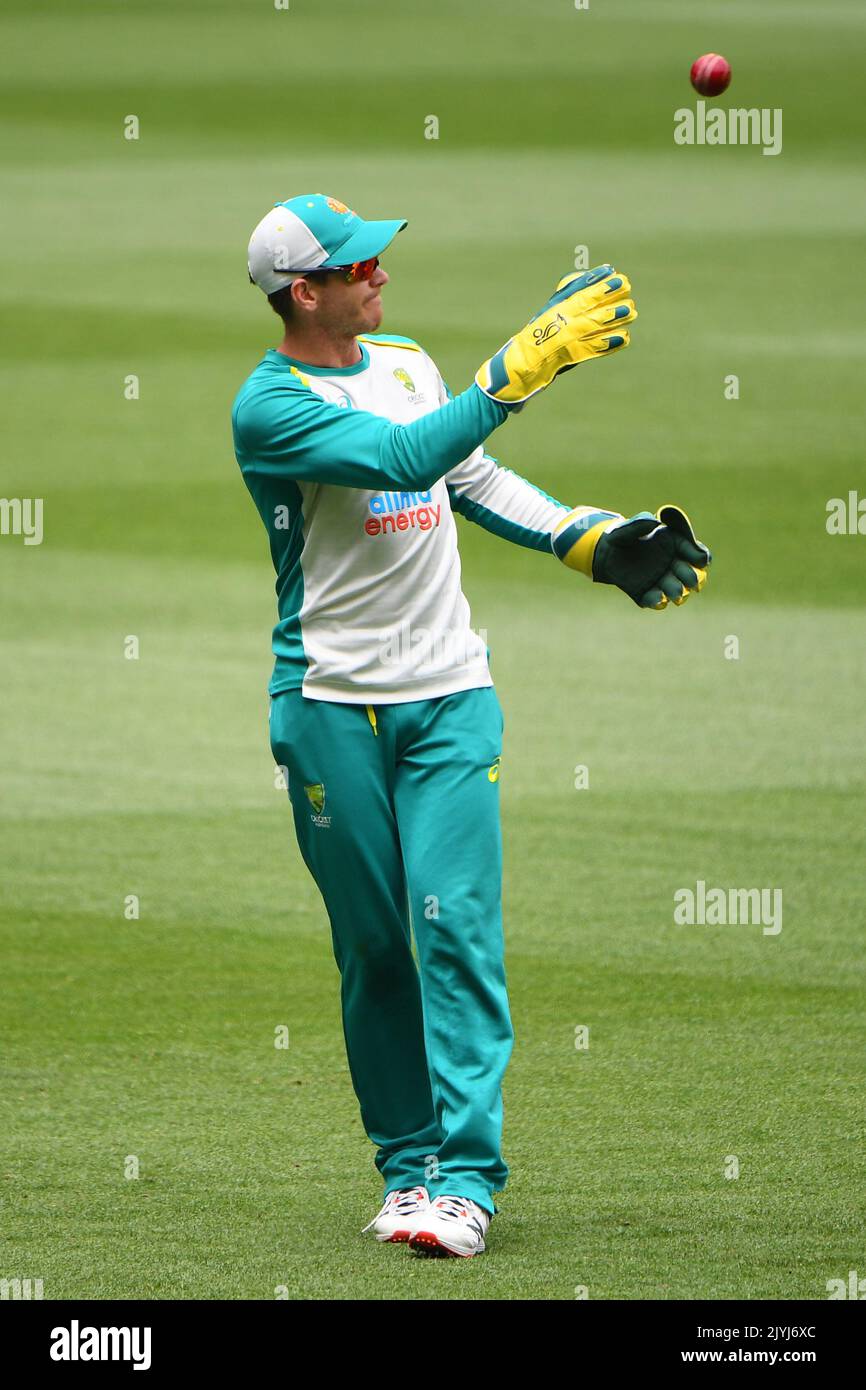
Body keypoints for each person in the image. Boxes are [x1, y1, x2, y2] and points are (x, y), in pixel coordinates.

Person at [231, 194, 711, 1259]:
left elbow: (462, 473)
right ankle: (406, 1171)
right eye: (358, 268)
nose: (380, 277)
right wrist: (517, 368)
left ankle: (467, 1182)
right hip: (326, 710)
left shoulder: (403, 358)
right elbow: (402, 460)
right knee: (373, 945)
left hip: (448, 696)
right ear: (303, 291)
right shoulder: (267, 406)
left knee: (453, 929)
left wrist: (582, 539)